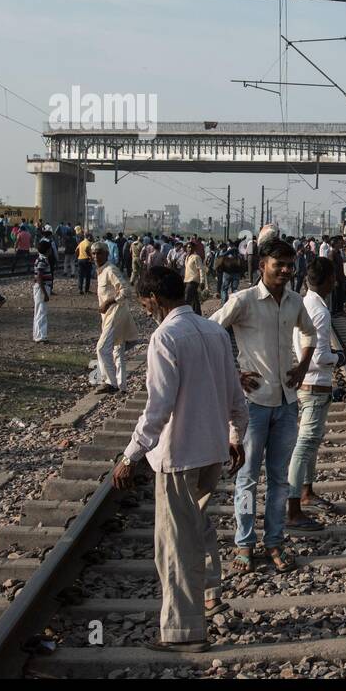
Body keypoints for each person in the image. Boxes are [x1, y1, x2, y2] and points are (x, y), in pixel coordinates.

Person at [112, 266, 248, 652]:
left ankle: (183, 633)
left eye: (143, 301)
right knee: (198, 529)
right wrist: (234, 435)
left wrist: (130, 455)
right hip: (211, 452)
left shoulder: (165, 336)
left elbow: (158, 407)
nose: (143, 308)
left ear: (154, 299)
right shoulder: (214, 331)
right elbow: (235, 393)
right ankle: (209, 593)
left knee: (174, 544)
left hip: (178, 455)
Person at [212, 240, 315, 574]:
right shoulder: (242, 301)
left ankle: (274, 541)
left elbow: (311, 335)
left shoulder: (295, 301)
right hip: (252, 406)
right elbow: (210, 331)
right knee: (246, 479)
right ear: (262, 265)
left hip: (286, 404)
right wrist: (233, 372)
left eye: (290, 265)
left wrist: (302, 367)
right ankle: (244, 543)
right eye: (278, 264)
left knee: (279, 480)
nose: (285, 270)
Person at [286, 257, 346, 532]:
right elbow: (317, 356)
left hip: (307, 385)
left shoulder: (303, 304)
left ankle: (307, 492)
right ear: (326, 280)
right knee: (306, 444)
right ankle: (293, 507)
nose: (335, 282)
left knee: (310, 442)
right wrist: (338, 358)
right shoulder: (320, 312)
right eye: (333, 277)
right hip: (314, 385)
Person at [91, 243, 137, 394]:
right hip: (108, 314)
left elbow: (126, 290)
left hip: (116, 312)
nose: (96, 256)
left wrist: (109, 302)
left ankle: (110, 383)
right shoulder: (101, 271)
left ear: (106, 254)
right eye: (93, 254)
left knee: (102, 347)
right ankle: (121, 386)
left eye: (99, 253)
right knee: (117, 349)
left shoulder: (111, 269)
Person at [183, 242, 204, 315]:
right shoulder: (187, 257)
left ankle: (186, 316)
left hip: (193, 280)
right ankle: (198, 315)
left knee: (187, 299)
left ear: (194, 248)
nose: (189, 249)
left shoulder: (196, 257)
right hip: (186, 280)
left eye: (191, 247)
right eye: (188, 247)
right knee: (195, 299)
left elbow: (201, 269)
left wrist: (202, 281)